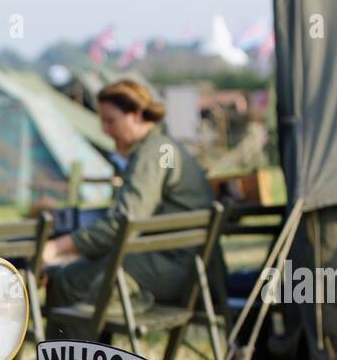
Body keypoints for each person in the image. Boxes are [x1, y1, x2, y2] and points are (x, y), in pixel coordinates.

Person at [42, 79, 221, 338]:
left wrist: (56, 248)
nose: (105, 130)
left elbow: (123, 223)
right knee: (85, 273)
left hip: (177, 269)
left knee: (67, 281)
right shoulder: (162, 148)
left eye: (111, 121)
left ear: (136, 115)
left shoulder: (153, 152)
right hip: (190, 265)